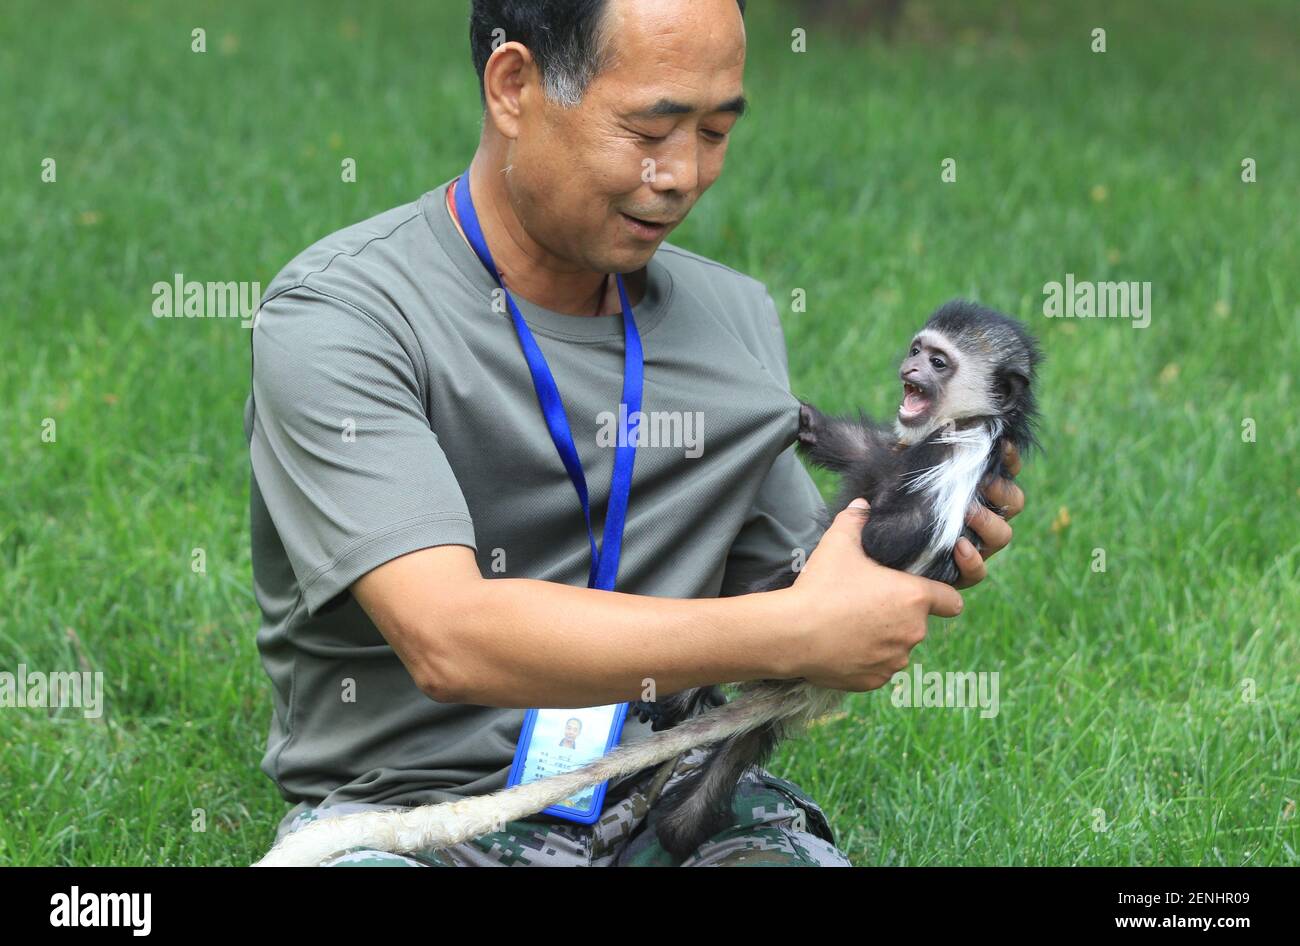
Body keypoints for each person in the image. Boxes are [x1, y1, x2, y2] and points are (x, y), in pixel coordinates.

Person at [245, 0, 1025, 867]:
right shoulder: (345, 319)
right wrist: (799, 628)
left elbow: (798, 582)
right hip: (419, 818)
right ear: (514, 87)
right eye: (651, 129)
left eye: (716, 132)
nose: (685, 172)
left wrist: (907, 534)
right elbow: (449, 637)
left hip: (669, 798)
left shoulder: (732, 317)